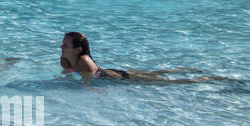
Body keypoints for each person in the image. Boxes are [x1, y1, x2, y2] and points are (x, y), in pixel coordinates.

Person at [59, 32, 210, 82]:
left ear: (78, 50)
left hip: (118, 77)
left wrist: (94, 93)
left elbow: (88, 82)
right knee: (155, 74)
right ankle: (182, 70)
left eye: (65, 45)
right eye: (62, 44)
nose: (61, 47)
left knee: (161, 81)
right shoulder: (65, 59)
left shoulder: (84, 60)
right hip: (113, 71)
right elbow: (69, 73)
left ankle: (199, 80)